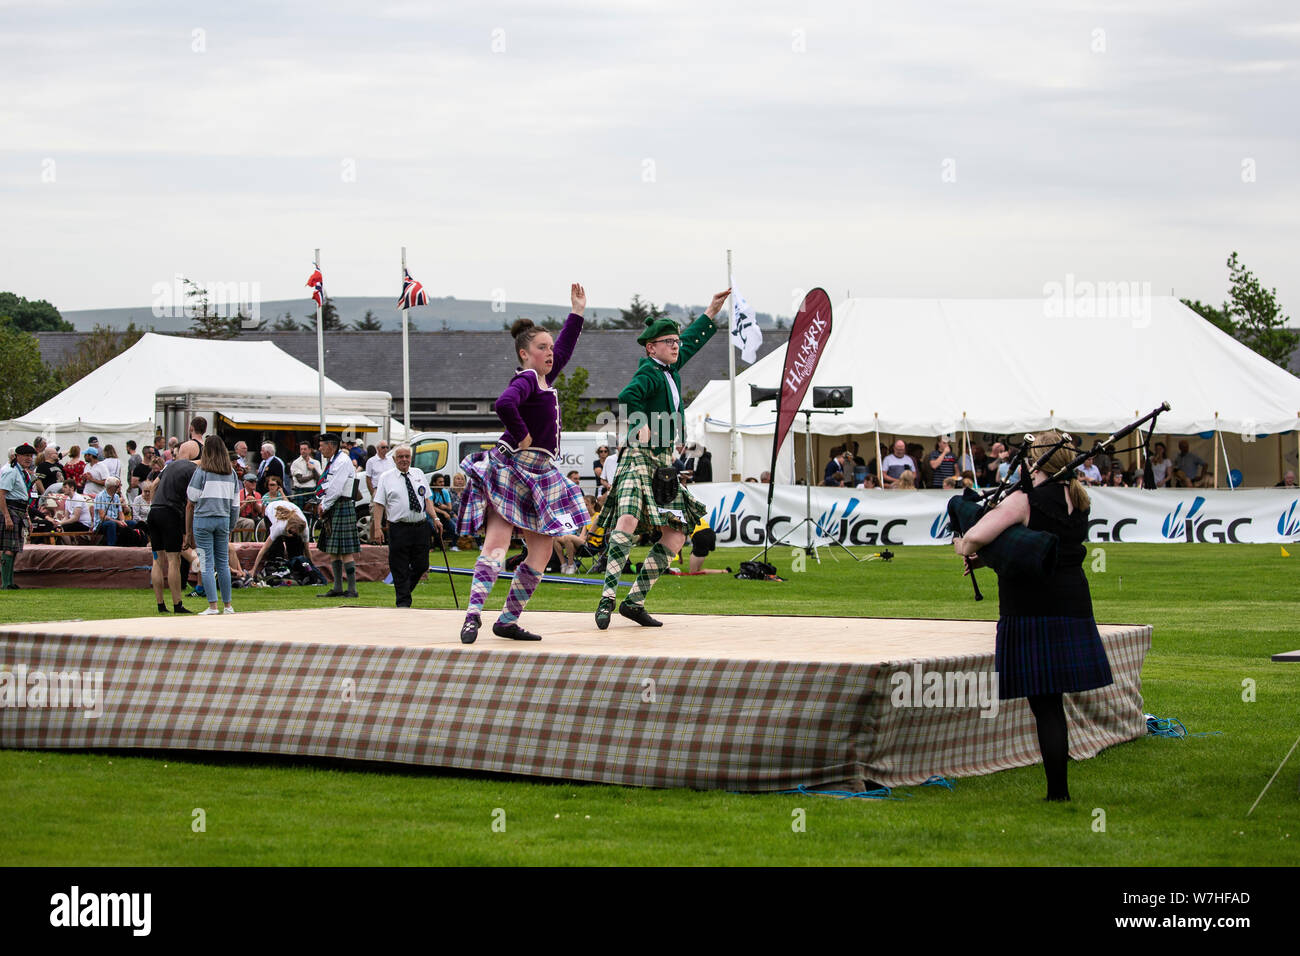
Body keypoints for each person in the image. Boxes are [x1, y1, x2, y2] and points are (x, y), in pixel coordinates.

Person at [951, 429, 1114, 802]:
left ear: (1036, 458)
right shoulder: (1079, 499)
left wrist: (963, 545)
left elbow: (976, 535)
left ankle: (1058, 793)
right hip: (1072, 603)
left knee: (1046, 706)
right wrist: (990, 556)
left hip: (1031, 609)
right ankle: (1058, 791)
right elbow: (1035, 548)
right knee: (1051, 703)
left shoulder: (1024, 500)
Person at [456, 283, 591, 643]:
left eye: (550, 348)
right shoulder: (529, 378)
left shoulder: (544, 378)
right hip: (515, 467)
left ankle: (506, 620)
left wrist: (576, 312)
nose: (550, 353)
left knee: (542, 550)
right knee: (497, 542)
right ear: (525, 354)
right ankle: (472, 615)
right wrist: (522, 433)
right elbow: (504, 404)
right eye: (541, 348)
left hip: (539, 472)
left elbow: (564, 348)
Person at [590, 287, 731, 630]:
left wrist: (710, 313)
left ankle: (633, 601)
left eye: (676, 341)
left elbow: (693, 343)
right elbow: (627, 396)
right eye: (669, 341)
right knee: (627, 522)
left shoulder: (670, 368)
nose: (676, 345)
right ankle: (607, 598)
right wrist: (640, 426)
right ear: (651, 347)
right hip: (640, 457)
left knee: (677, 534)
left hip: (663, 462)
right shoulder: (649, 372)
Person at [370, 444, 443, 608]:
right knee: (399, 566)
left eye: (407, 456)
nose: (404, 460)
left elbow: (428, 499)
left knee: (422, 564)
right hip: (399, 527)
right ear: (394, 459)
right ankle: (403, 602)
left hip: (420, 526)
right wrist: (377, 528)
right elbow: (379, 504)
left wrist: (436, 518)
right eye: (401, 457)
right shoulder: (386, 477)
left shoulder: (418, 474)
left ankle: (404, 591)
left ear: (411, 458)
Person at [184, 435, 240, 615]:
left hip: (203, 520)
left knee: (206, 563)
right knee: (223, 563)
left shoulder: (202, 471)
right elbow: (235, 504)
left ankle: (212, 606)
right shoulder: (231, 473)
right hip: (223, 519)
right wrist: (231, 525)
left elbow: (191, 496)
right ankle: (228, 605)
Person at [314, 432, 363, 599]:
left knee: (345, 550)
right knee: (333, 550)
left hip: (341, 505)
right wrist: (323, 500)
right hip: (335, 505)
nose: (320, 449)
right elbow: (328, 485)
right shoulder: (332, 461)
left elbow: (336, 487)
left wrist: (324, 505)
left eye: (321, 446)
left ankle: (352, 589)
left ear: (330, 445)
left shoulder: (342, 461)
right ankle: (337, 587)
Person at [1, 443, 37, 589]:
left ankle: (10, 582)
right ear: (17, 456)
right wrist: (7, 517)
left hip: (20, 510)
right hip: (11, 509)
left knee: (15, 548)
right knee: (8, 547)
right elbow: (1, 494)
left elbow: (24, 497)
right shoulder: (10, 471)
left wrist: (27, 517)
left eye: (30, 456)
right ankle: (5, 583)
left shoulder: (23, 472)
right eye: (25, 456)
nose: (28, 459)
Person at [248, 500, 310, 580]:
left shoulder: (304, 528)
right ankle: (276, 570)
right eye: (291, 532)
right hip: (271, 509)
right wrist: (253, 569)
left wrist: (312, 567)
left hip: (290, 508)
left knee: (296, 549)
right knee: (276, 548)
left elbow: (307, 550)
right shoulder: (279, 526)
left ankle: (295, 570)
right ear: (289, 527)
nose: (292, 534)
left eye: (294, 533)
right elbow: (264, 549)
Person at [290, 441, 323, 513]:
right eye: (301, 449)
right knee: (299, 514)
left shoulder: (316, 463)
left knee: (314, 514)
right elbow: (300, 480)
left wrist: (313, 469)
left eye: (305, 449)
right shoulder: (296, 463)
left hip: (312, 491)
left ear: (309, 450)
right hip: (300, 492)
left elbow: (319, 479)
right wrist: (313, 475)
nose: (303, 451)